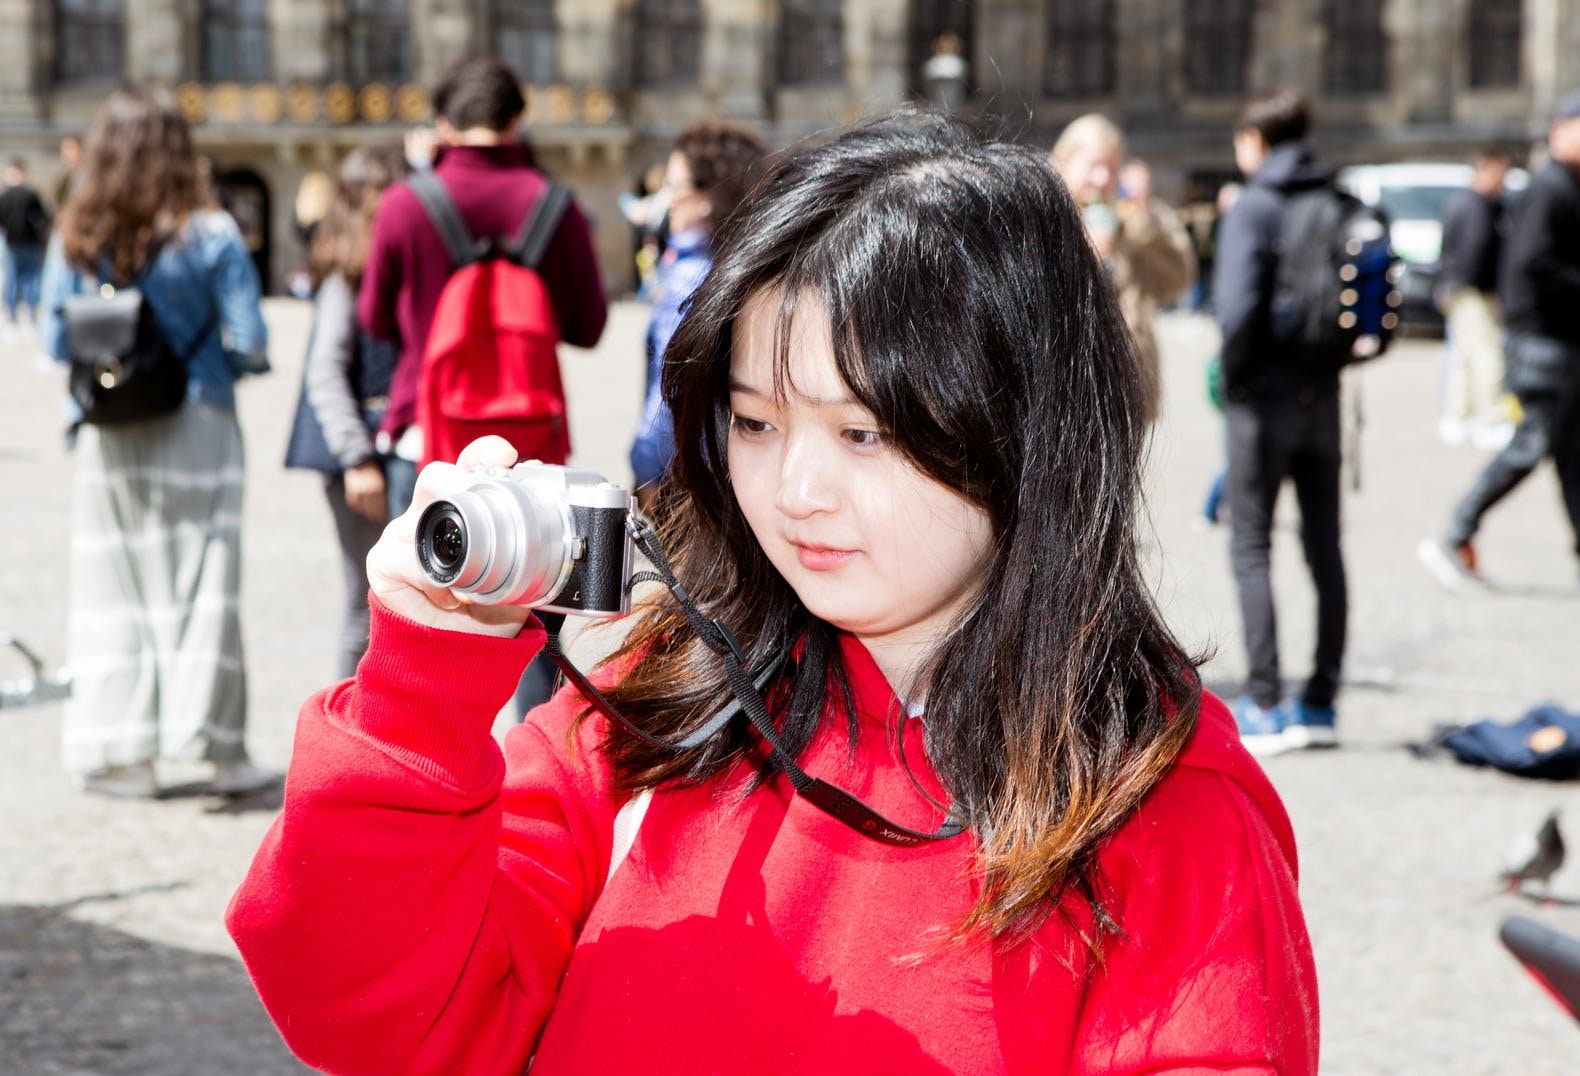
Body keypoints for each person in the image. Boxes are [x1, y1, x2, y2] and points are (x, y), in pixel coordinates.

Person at [227, 111, 1318, 1074]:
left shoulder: (1158, 809)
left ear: (1024, 431)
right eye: (752, 421)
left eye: (860, 431)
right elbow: (372, 1013)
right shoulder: (655, 692)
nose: (793, 489)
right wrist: (418, 691)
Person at [37, 86, 277, 798]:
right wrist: (206, 360)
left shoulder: (77, 231)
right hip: (198, 417)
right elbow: (250, 342)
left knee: (116, 583)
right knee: (203, 584)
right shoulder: (211, 233)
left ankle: (124, 755)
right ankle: (218, 753)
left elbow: (55, 338)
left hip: (107, 428)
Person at [357, 57, 608, 720]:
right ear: (517, 120)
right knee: (535, 620)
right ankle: (529, 772)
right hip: (532, 453)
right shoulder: (556, 205)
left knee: (425, 610)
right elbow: (588, 325)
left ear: (444, 124)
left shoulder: (407, 203)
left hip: (428, 441)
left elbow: (374, 320)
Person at [1213, 90, 1347, 755]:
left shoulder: (1254, 206)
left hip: (1262, 398)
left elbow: (1235, 310)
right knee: (1325, 547)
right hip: (1324, 394)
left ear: (1255, 142)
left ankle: (1265, 701)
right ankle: (1321, 702)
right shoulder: (1334, 198)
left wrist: (1230, 380)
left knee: (1250, 545)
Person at [1419, 94, 1580, 590]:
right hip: (1542, 343)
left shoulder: (1568, 187)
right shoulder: (1548, 189)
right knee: (1529, 446)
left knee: (1574, 455)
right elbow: (1529, 266)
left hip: (1564, 341)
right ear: (1559, 130)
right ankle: (1453, 533)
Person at [283, 148, 404, 678]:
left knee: (391, 601)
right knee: (367, 603)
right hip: (358, 456)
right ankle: (347, 742)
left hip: (383, 450)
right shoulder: (343, 279)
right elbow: (324, 375)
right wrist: (357, 457)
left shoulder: (384, 267)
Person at [630, 121, 769, 513]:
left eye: (675, 187)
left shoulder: (687, 280)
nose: (666, 199)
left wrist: (645, 468)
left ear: (707, 197)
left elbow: (668, 395)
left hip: (683, 483)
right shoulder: (747, 268)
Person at [1049, 115, 1195, 423]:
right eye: (1094, 165)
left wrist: (1144, 219)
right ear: (1065, 160)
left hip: (1127, 393)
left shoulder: (1128, 222)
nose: (1103, 179)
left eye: (1112, 168)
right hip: (1066, 394)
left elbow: (1176, 278)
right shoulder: (1044, 215)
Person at [1437, 145, 1515, 449]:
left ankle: (1458, 417)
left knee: (1463, 357)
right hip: (1475, 291)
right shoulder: (1477, 207)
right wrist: (1491, 288)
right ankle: (1488, 419)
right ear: (1488, 169)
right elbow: (1475, 251)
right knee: (1487, 356)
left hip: (1459, 288)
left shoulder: (1463, 202)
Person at [0, 158, 50, 340]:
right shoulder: (29, 194)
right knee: (25, 279)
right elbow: (42, 219)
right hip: (24, 243)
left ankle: (18, 316)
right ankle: (27, 315)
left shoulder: (10, 195)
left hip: (17, 243)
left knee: (19, 279)